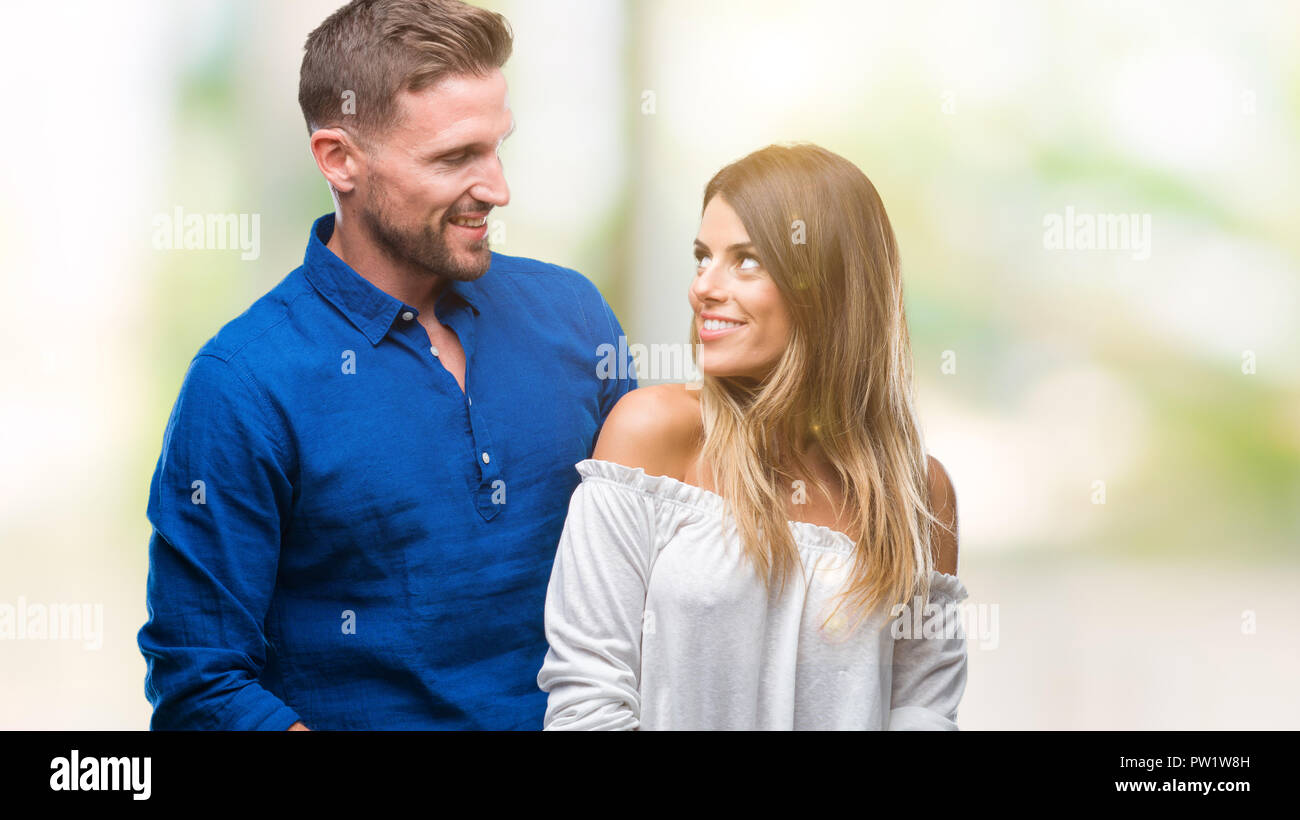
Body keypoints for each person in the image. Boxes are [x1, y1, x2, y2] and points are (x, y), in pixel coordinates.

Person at [137, 0, 635, 730]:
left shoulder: (573, 316)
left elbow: (669, 562)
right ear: (340, 159)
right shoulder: (243, 386)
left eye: (498, 146)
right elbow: (202, 685)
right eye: (455, 157)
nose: (497, 188)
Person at [537, 143, 968, 730]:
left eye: (746, 261)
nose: (704, 288)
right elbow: (587, 696)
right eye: (702, 257)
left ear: (828, 286)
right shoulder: (655, 433)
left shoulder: (919, 493)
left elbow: (923, 709)